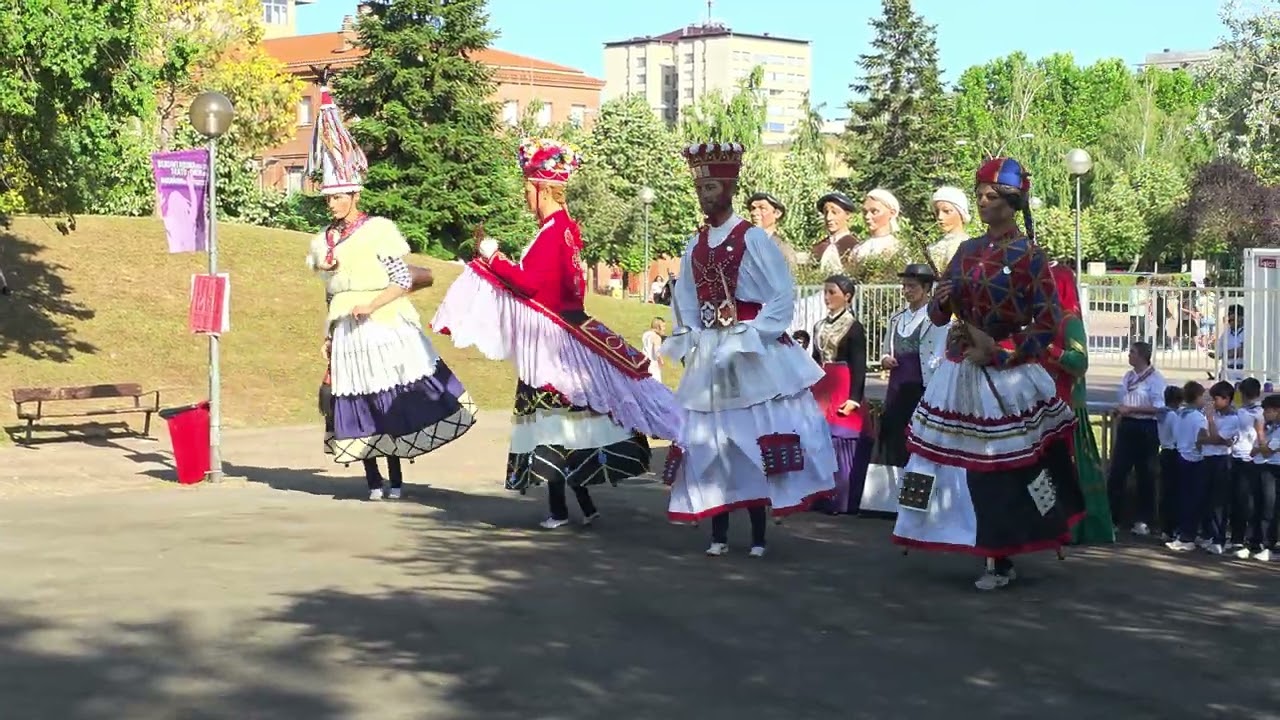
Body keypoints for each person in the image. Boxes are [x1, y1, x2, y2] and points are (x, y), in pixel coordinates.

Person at [431, 137, 681, 528]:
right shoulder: (565, 229)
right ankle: (580, 504)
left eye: (527, 189)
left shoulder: (552, 232)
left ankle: (560, 508)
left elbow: (531, 284)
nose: (524, 197)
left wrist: (493, 259)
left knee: (551, 422)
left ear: (542, 189)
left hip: (553, 342)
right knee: (571, 420)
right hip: (567, 331)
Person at [891, 157, 1081, 591]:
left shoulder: (1032, 257)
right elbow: (939, 318)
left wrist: (1001, 351)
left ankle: (1001, 555)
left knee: (1004, 464)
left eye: (991, 196)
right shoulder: (966, 250)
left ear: (1012, 202)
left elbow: (1048, 322)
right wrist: (942, 299)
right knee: (956, 462)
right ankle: (954, 536)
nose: (981, 202)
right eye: (978, 195)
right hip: (960, 371)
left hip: (1006, 373)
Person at [662, 142, 837, 557]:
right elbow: (684, 297)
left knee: (755, 436)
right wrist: (688, 336)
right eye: (700, 189)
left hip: (748, 348)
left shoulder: (753, 238)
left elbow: (781, 294)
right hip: (711, 350)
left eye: (711, 189)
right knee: (714, 440)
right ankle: (718, 530)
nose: (705, 197)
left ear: (728, 189)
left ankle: (758, 534)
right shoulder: (695, 244)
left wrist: (753, 334)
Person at [305, 86, 477, 499]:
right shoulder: (323, 241)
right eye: (328, 198)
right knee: (357, 398)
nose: (332, 205)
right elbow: (331, 295)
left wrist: (372, 303)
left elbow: (402, 279)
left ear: (354, 194)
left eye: (339, 197)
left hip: (380, 323)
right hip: (347, 329)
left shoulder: (379, 230)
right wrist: (329, 334)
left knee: (388, 399)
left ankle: (396, 478)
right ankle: (373, 479)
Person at [863, 263, 948, 515]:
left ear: (926, 288)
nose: (906, 291)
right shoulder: (897, 318)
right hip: (897, 386)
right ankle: (887, 500)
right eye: (904, 286)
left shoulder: (936, 319)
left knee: (920, 440)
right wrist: (885, 359)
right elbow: (886, 349)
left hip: (922, 387)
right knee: (893, 436)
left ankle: (922, 500)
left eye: (912, 286)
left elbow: (940, 354)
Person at [1042, 262, 1115, 544]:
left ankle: (1075, 528)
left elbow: (1080, 362)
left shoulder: (1069, 321)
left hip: (1067, 410)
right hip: (1041, 409)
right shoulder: (1041, 320)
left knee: (1068, 471)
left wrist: (1050, 350)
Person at [809, 274, 868, 515]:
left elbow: (859, 364)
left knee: (841, 440)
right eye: (825, 292)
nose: (827, 297)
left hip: (843, 383)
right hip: (822, 383)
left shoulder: (854, 327)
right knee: (818, 441)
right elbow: (814, 358)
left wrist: (855, 397)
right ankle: (818, 497)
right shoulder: (819, 326)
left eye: (832, 292)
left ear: (847, 296)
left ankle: (841, 499)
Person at [1106, 341, 1165, 536]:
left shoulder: (1155, 379)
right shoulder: (1128, 376)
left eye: (1132, 352)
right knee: (1117, 472)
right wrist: (1122, 410)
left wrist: (1132, 409)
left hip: (1146, 427)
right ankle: (1112, 518)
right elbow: (1124, 398)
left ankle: (1144, 520)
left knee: (1146, 474)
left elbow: (1159, 407)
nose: (1128, 355)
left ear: (1141, 356)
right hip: (1128, 425)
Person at [1199, 381, 1241, 555]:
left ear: (1226, 399)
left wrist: (1211, 423)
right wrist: (1214, 438)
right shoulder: (1209, 413)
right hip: (1207, 458)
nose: (1212, 403)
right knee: (1206, 498)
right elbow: (1201, 438)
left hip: (1221, 460)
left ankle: (1219, 539)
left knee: (1219, 501)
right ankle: (1208, 534)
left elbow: (1217, 438)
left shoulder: (1233, 418)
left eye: (1215, 399)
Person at [1166, 382, 1208, 553]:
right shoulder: (1198, 417)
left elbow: (1176, 435)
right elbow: (1201, 439)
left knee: (1185, 497)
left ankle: (1187, 533)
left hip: (1181, 455)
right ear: (1197, 397)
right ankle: (1188, 535)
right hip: (1195, 459)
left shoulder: (1180, 414)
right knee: (1193, 499)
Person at [1231, 377, 1267, 560]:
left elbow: (1258, 435)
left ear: (1242, 394)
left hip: (1244, 458)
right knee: (1249, 501)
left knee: (1243, 501)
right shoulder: (1258, 412)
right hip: (1250, 458)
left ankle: (1241, 539)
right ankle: (1249, 538)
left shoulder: (1246, 413)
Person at [1156, 384, 1185, 541]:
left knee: (1166, 491)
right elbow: (1177, 434)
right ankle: (1172, 527)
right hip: (1173, 451)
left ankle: (1165, 528)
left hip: (1164, 450)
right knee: (1173, 492)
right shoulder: (1173, 416)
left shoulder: (1162, 413)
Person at [810, 191, 860, 273]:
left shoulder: (854, 246)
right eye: (826, 213)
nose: (829, 218)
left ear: (848, 215)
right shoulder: (819, 247)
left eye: (834, 212)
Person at [747, 191, 796, 269]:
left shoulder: (782, 249)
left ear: (777, 213)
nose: (754, 213)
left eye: (762, 208)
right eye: (753, 208)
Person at [927, 186, 971, 267]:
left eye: (946, 211)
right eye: (937, 212)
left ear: (961, 212)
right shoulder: (933, 246)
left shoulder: (968, 246)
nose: (940, 217)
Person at [854, 188, 902, 259]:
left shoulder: (897, 248)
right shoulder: (858, 248)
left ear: (892, 213)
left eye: (874, 212)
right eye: (865, 212)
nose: (867, 216)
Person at [641, 317, 666, 383]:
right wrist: (661, 361)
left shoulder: (646, 334)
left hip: (644, 363)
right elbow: (657, 352)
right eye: (663, 326)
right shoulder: (657, 337)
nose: (664, 329)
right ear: (658, 327)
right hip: (653, 366)